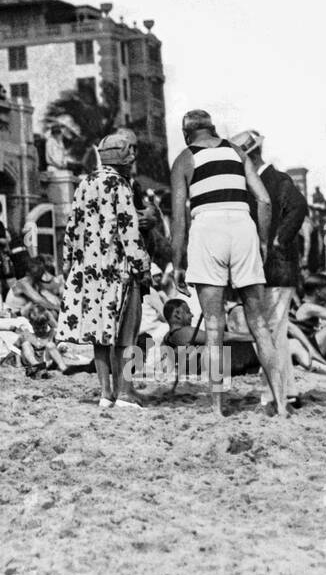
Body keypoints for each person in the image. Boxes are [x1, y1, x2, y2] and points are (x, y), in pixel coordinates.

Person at [169, 109, 288, 416]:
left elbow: (179, 218)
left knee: (212, 327)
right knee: (260, 325)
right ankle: (282, 405)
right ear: (212, 129)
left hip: (207, 227)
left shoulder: (184, 158)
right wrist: (262, 241)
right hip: (241, 224)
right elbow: (263, 200)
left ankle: (218, 408)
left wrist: (178, 262)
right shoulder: (235, 151)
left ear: (187, 135)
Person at [56, 130, 150, 407]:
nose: (132, 158)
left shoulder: (84, 183)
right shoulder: (121, 185)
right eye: (128, 153)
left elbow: (71, 228)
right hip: (117, 268)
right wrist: (142, 264)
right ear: (120, 158)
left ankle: (106, 392)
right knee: (125, 333)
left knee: (99, 333)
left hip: (88, 269)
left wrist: (68, 261)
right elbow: (128, 231)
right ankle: (125, 392)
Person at [230, 129, 306, 410]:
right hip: (266, 269)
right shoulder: (257, 182)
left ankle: (273, 393)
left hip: (277, 268)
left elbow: (298, 208)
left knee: (270, 331)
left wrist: (277, 241)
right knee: (275, 331)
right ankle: (288, 390)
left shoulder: (276, 179)